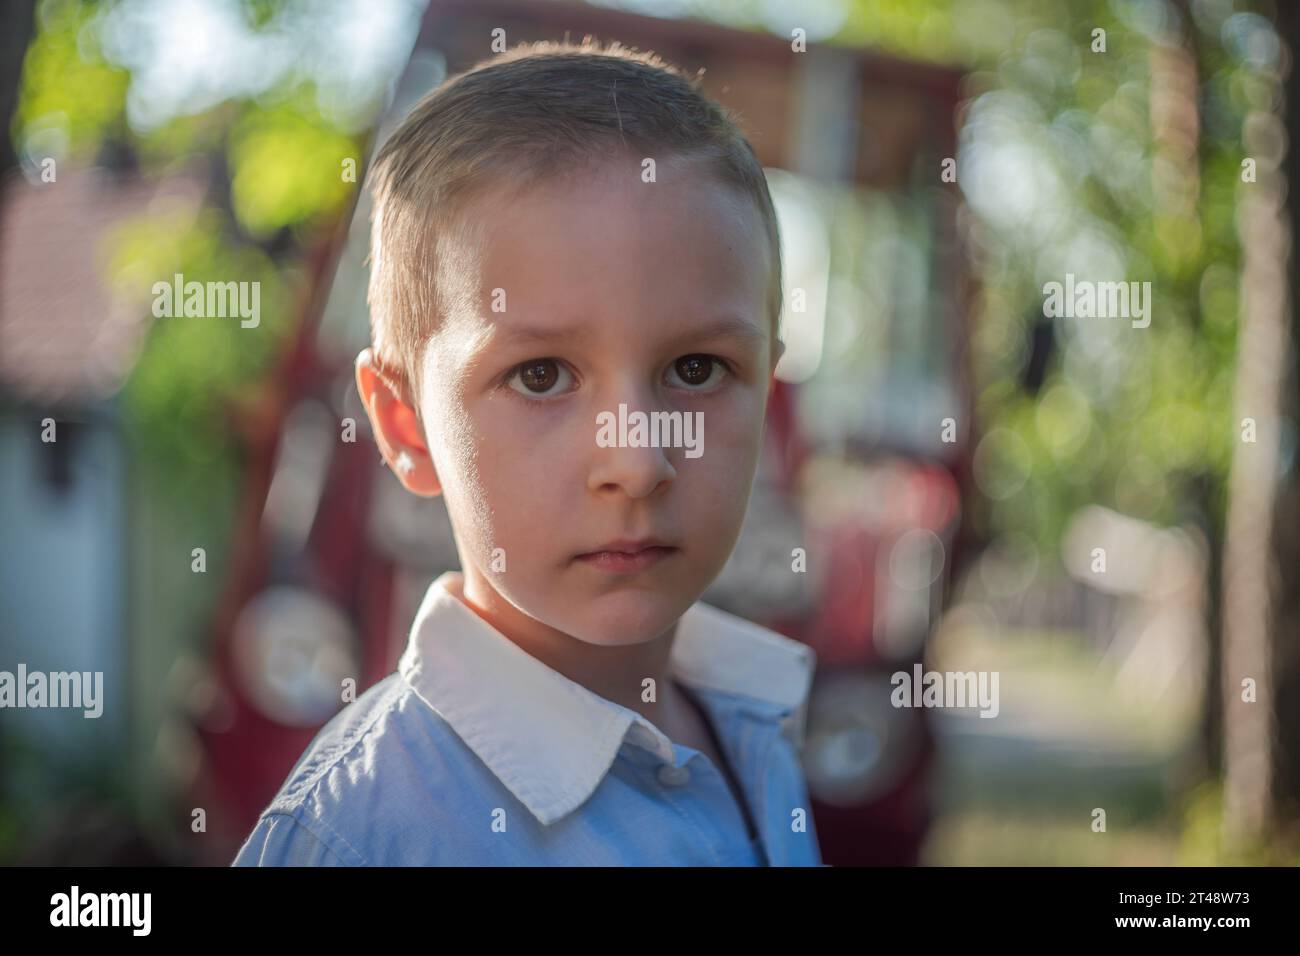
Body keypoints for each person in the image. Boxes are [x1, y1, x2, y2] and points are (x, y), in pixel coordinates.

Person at [232, 38, 820, 866]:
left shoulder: (753, 726)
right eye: (540, 375)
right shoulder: (363, 836)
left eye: (697, 369)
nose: (638, 462)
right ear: (406, 429)